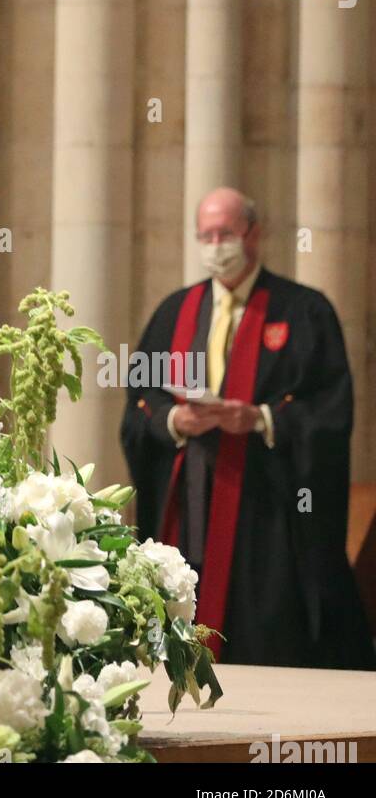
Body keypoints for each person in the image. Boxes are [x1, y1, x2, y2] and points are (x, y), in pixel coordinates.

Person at [120, 186, 374, 669]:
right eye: (206, 235)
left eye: (227, 233)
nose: (216, 245)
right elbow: (138, 409)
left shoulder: (302, 311)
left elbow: (330, 411)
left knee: (264, 647)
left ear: (253, 234)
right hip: (188, 511)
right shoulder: (175, 312)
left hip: (269, 518)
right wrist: (177, 420)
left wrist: (260, 418)